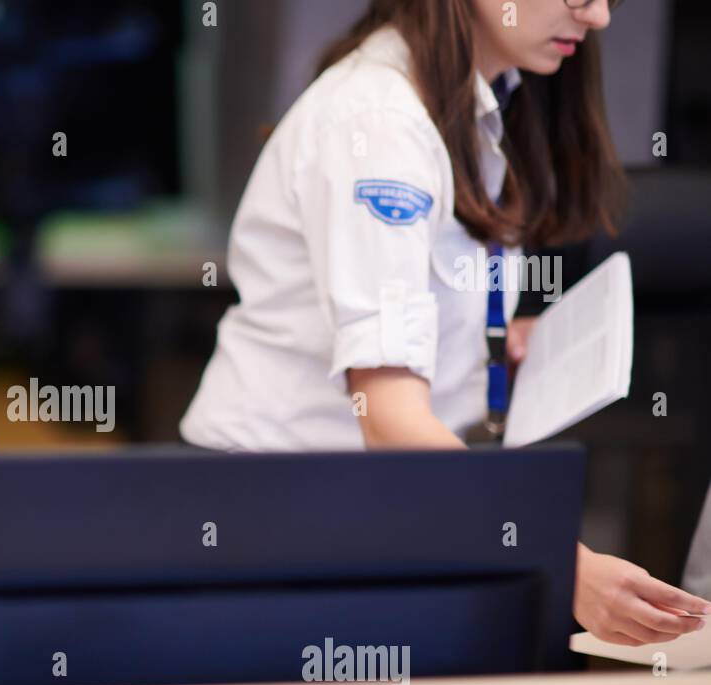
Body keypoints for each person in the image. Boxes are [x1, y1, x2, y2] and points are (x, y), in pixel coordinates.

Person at [180, 0, 710, 645]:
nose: (597, 15)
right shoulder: (380, 124)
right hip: (280, 518)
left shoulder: (474, 100)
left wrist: (482, 349)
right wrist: (559, 560)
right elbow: (390, 418)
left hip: (357, 509)